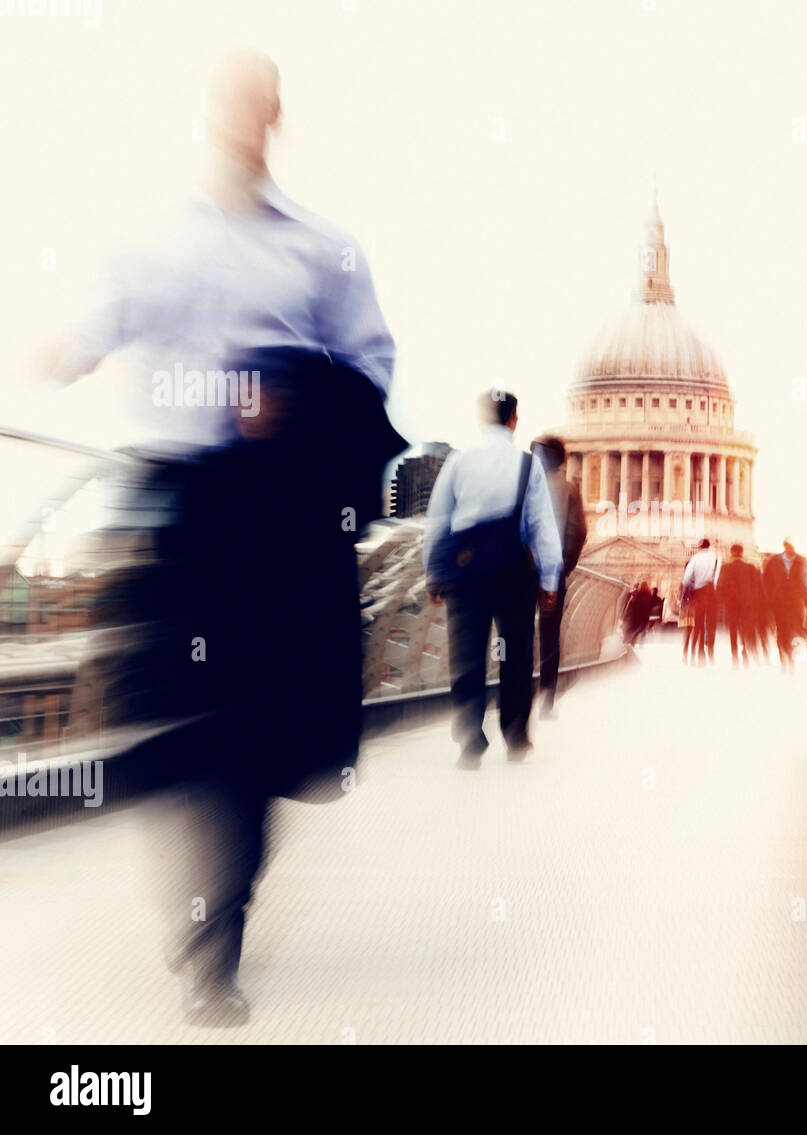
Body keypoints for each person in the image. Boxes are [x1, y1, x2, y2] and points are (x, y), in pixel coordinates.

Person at [41, 51, 402, 1028]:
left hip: (277, 518)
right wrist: (55, 354)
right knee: (182, 722)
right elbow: (84, 334)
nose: (245, 115)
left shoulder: (323, 249)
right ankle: (207, 920)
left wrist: (297, 395)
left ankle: (218, 937)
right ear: (212, 113)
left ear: (275, 115)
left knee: (256, 736)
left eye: (259, 101)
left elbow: (372, 368)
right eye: (230, 100)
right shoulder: (153, 244)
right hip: (183, 509)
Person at [424, 391, 562, 766]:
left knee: (466, 656)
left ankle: (470, 740)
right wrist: (549, 580)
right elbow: (542, 528)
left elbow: (438, 521)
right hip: (512, 571)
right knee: (515, 655)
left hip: (467, 572)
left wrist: (435, 572)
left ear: (481, 419)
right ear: (514, 420)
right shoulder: (528, 465)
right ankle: (516, 735)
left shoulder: (458, 462)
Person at [530, 435, 587, 719]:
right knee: (551, 637)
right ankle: (547, 701)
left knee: (517, 635)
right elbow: (577, 533)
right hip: (553, 575)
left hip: (521, 573)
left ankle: (518, 697)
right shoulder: (569, 490)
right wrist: (564, 567)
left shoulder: (523, 486)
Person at [762, 539, 807, 672]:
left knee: (794, 633)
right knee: (782, 633)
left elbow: (806, 582)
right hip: (778, 604)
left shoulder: (801, 560)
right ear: (785, 546)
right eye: (791, 545)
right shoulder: (774, 561)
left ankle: (791, 660)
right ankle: (784, 661)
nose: (793, 548)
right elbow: (766, 581)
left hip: (796, 604)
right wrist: (769, 599)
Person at [716, 544, 762, 667]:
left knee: (733, 631)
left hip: (731, 605)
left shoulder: (725, 568)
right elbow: (756, 588)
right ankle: (745, 654)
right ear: (741, 553)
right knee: (745, 630)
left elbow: (720, 587)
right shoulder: (750, 568)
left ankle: (735, 657)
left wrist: (721, 603)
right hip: (747, 605)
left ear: (732, 553)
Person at [681, 538, 720, 664]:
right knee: (711, 624)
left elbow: (686, 579)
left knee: (698, 625)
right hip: (712, 594)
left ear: (699, 547)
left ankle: (698, 654)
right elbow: (718, 578)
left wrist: (691, 588)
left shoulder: (695, 558)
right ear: (709, 546)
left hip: (698, 594)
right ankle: (711, 651)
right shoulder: (716, 558)